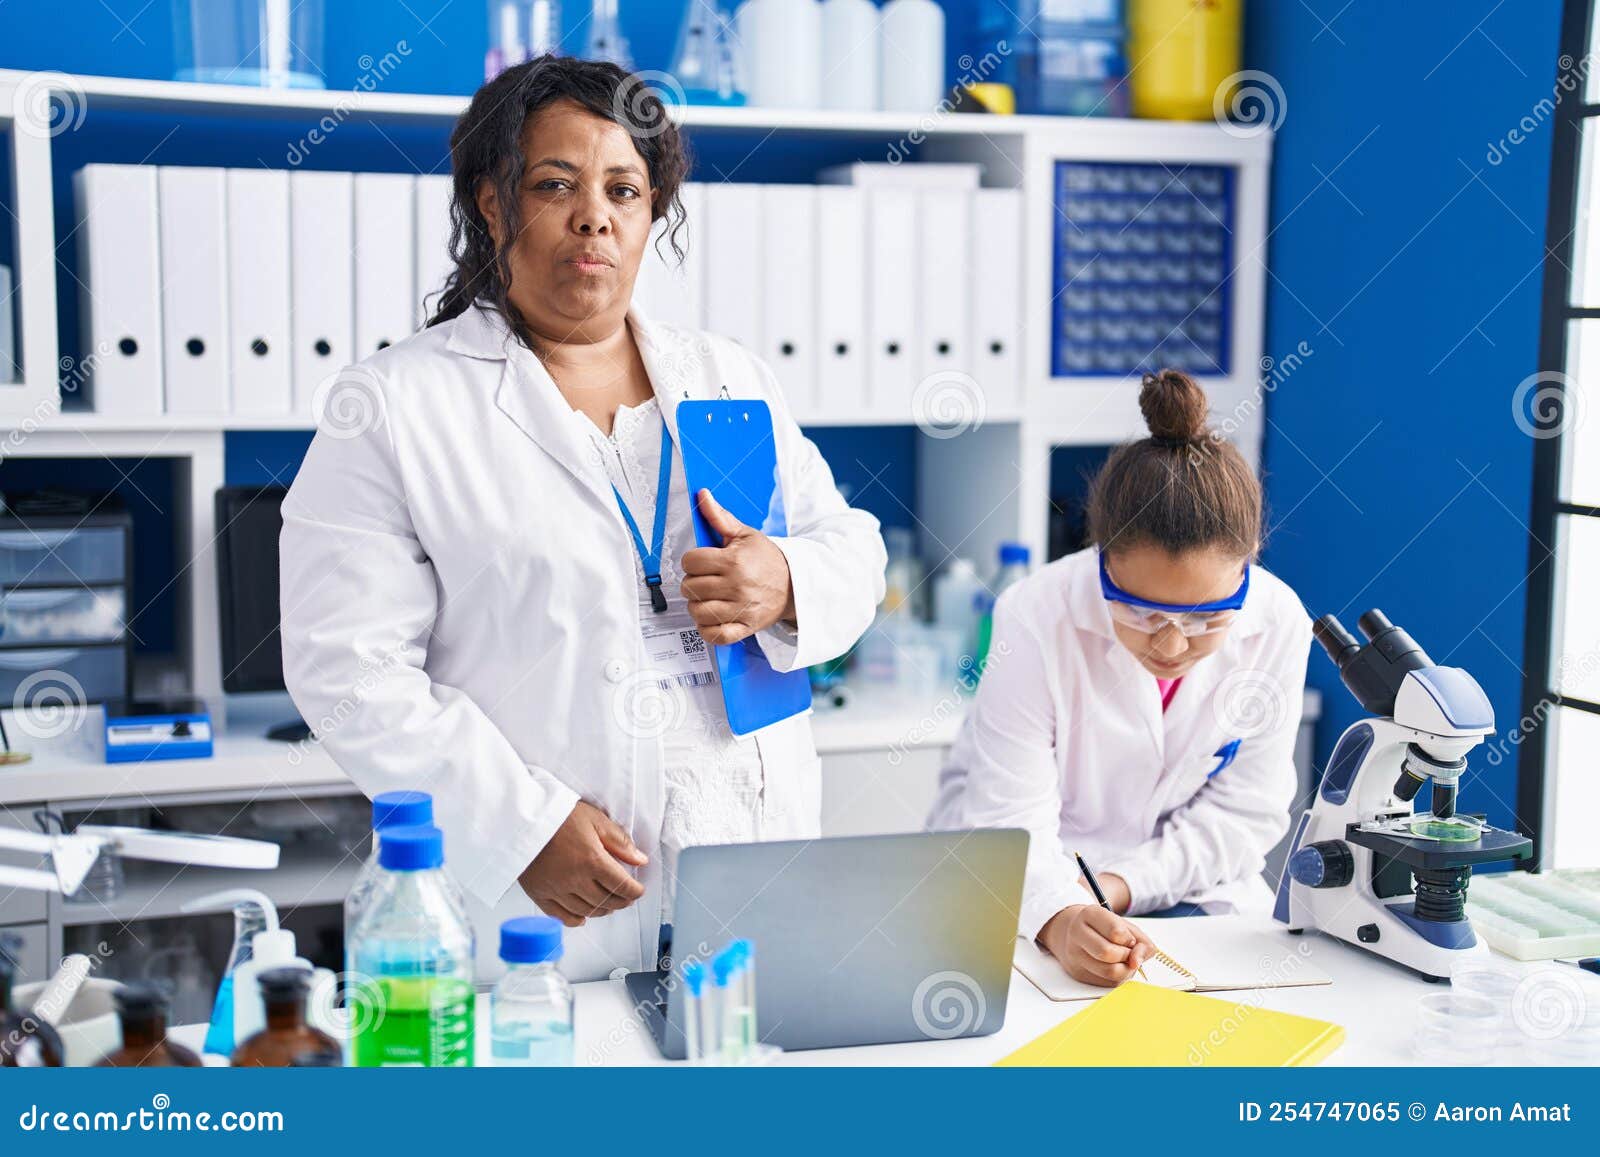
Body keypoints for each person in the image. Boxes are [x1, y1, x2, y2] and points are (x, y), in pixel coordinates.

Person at [280, 55, 886, 982]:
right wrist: (519, 829)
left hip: (749, 872)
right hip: (551, 908)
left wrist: (789, 581)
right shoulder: (396, 406)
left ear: (651, 215)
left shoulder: (728, 378)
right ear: (492, 205)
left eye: (624, 189)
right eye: (555, 184)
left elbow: (852, 547)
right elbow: (345, 668)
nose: (594, 215)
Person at [928, 369, 1312, 987]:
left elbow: (1246, 812)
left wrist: (1117, 888)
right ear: (1102, 557)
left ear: (1248, 567)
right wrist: (1058, 913)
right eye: (1139, 611)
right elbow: (1008, 816)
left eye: (1208, 618)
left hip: (1187, 892)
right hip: (1021, 886)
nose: (1170, 643)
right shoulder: (1035, 614)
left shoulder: (1279, 620)